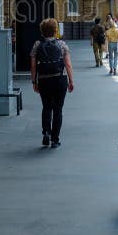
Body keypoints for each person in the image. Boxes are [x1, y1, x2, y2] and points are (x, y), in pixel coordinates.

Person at [31, 18, 75, 149]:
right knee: (58, 109)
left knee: (46, 107)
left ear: (42, 31)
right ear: (55, 30)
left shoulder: (37, 45)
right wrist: (71, 81)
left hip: (44, 80)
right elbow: (68, 64)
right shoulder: (62, 45)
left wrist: (34, 81)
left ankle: (46, 132)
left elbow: (33, 66)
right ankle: (55, 139)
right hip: (59, 79)